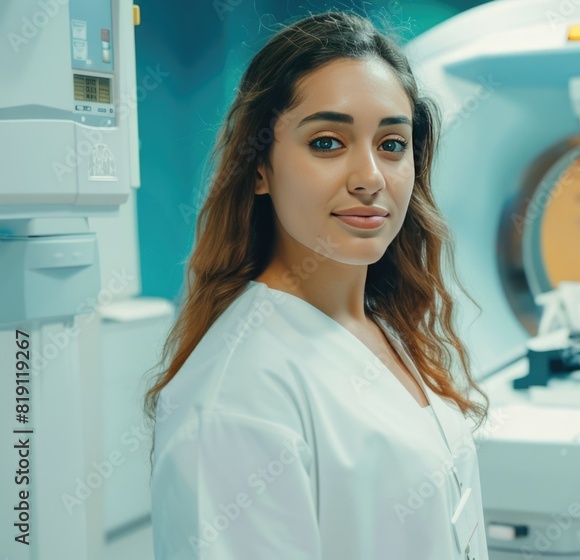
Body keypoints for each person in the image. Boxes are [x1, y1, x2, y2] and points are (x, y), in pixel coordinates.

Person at [143, 11, 489, 560]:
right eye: (328, 143)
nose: (370, 178)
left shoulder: (384, 328)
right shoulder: (237, 395)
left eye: (392, 144)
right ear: (260, 167)